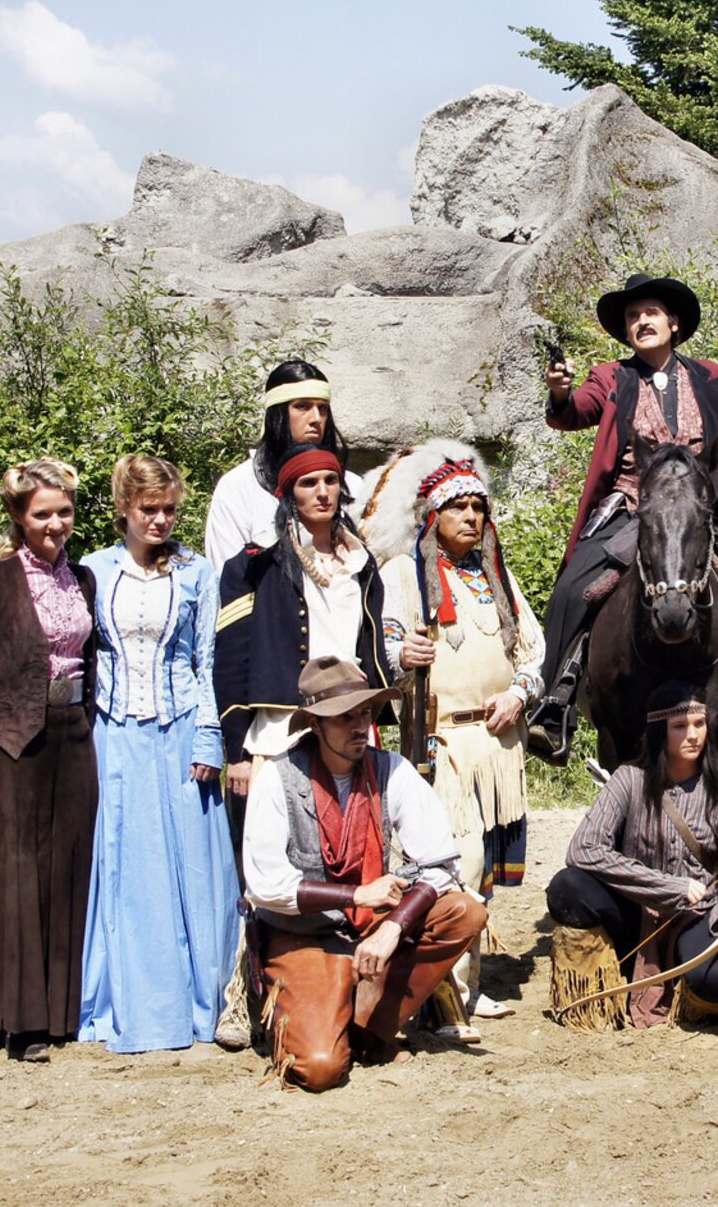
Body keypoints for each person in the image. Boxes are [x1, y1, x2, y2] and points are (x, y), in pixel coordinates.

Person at [526, 274, 718, 768]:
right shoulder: (611, 377)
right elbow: (576, 411)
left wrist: (713, 490)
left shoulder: (713, 377)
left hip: (703, 507)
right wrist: (560, 393)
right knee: (571, 591)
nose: (641, 322)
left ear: (673, 323)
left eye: (650, 313)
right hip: (633, 506)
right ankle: (555, 707)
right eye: (633, 317)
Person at [242, 657, 487, 1089]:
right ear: (315, 725)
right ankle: (316, 1003)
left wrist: (392, 927)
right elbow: (265, 887)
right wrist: (356, 896)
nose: (359, 726)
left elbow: (441, 864)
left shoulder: (391, 770)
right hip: (301, 934)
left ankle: (366, 1027)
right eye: (344, 717)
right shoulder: (276, 780)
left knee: (463, 913)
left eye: (365, 714)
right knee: (320, 1069)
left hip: (371, 927)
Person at [214, 440, 386, 1050]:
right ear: (289, 493)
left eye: (330, 482)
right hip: (277, 729)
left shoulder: (363, 563)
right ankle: (242, 996)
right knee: (256, 863)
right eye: (308, 483)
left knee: (348, 849)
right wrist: (237, 746)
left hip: (344, 725)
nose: (321, 492)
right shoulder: (255, 565)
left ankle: (340, 980)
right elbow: (230, 659)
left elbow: (371, 651)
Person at [368, 444, 544, 1035]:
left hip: (496, 743)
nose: (471, 516)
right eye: (458, 507)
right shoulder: (402, 574)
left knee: (485, 867)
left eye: (478, 506)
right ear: (432, 516)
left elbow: (533, 648)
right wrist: (402, 653)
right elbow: (383, 646)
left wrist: (519, 691)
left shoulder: (497, 575)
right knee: (454, 865)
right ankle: (439, 998)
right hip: (438, 742)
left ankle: (465, 990)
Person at [77, 455, 241, 1053]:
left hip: (179, 731)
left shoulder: (196, 573)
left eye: (170, 509)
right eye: (149, 509)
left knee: (195, 863)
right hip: (113, 731)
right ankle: (126, 1000)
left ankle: (205, 1002)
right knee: (124, 859)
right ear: (123, 508)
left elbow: (207, 662)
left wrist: (208, 738)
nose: (161, 520)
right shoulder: (93, 570)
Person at [0, 459, 98, 1063]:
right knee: (12, 869)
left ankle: (59, 1011)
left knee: (65, 864)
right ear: (17, 516)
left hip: (72, 732)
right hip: (12, 737)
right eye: (42, 513)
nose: (56, 523)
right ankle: (13, 1021)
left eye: (64, 511)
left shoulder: (82, 577)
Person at [546, 682, 718, 1030]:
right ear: (658, 730)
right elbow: (583, 849)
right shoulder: (629, 779)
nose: (693, 735)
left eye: (699, 724)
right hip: (635, 915)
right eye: (680, 726)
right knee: (566, 887)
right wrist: (667, 886)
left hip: (701, 918)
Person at [204, 360, 368, 571]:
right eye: (302, 406)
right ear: (278, 414)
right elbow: (226, 574)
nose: (316, 418)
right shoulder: (239, 487)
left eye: (323, 408)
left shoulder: (351, 485)